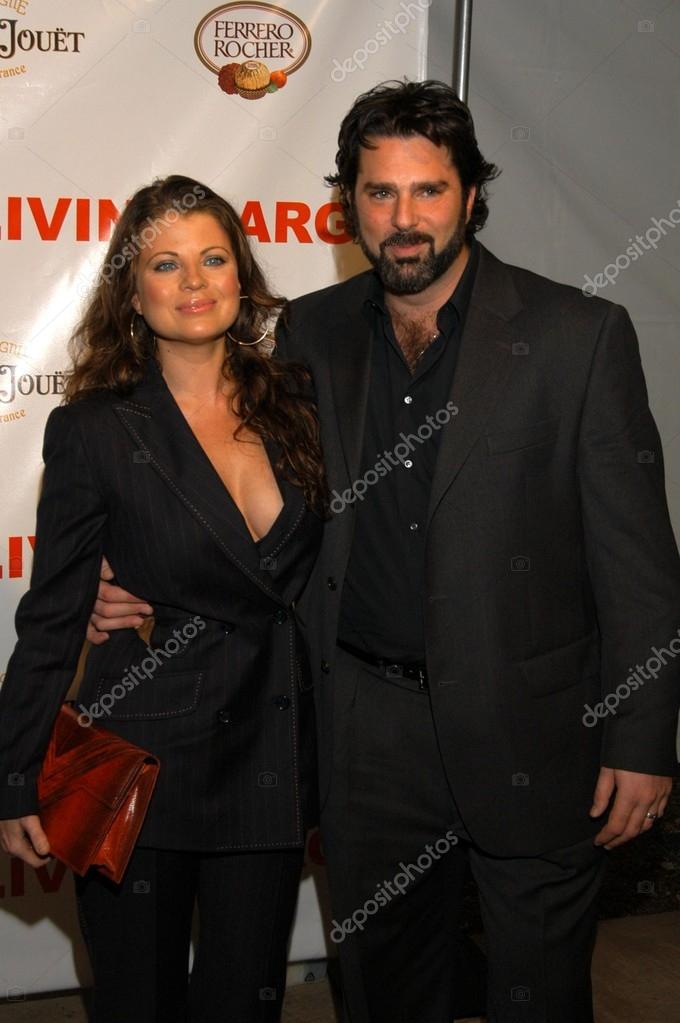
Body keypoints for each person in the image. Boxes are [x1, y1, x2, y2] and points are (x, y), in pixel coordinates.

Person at [87, 83, 680, 1023]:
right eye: (379, 194)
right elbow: (237, 497)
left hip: (533, 731)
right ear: (348, 205)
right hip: (366, 737)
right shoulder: (311, 333)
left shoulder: (577, 336)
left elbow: (639, 560)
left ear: (472, 197)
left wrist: (643, 739)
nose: (404, 221)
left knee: (540, 995)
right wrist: (129, 583)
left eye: (429, 192)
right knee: (385, 994)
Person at [0, 175, 327, 1023]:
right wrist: (12, 775)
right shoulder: (96, 428)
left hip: (271, 759)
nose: (193, 282)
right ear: (132, 293)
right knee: (136, 1003)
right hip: (144, 761)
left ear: (241, 274)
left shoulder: (302, 404)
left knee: (243, 1003)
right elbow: (51, 616)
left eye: (213, 258)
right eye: (166, 264)